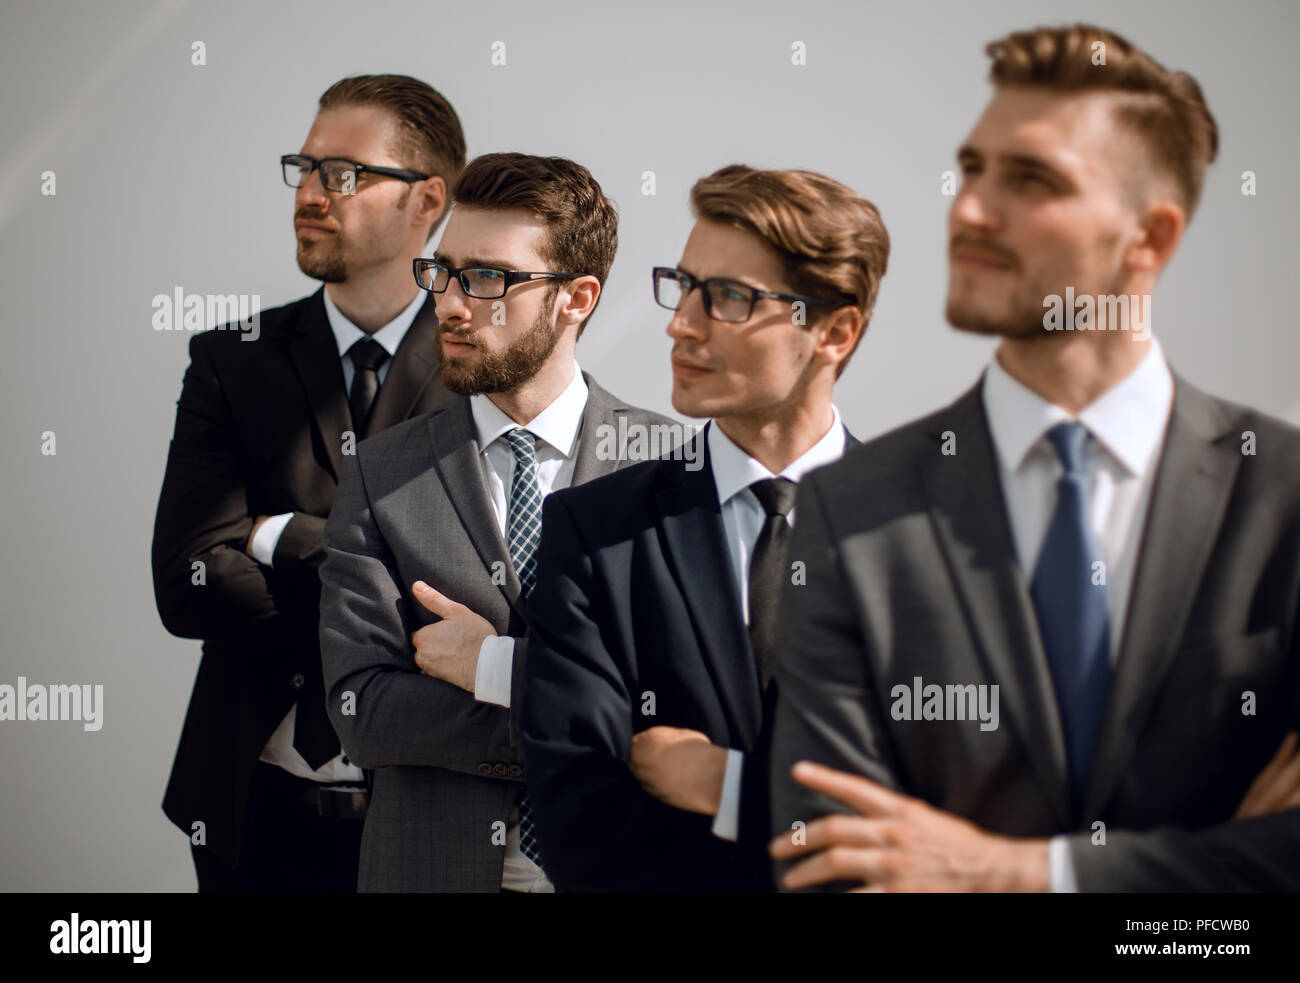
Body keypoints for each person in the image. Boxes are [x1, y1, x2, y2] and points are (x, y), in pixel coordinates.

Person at [768, 24, 1300, 892]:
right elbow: (831, 865)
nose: (968, 207)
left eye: (1032, 179)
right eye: (973, 167)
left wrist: (1019, 873)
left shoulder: (1283, 494)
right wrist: (1212, 882)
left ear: (1150, 239)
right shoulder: (852, 509)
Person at [522, 165, 888, 890]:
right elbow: (580, 832)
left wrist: (726, 786)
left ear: (834, 331)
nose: (679, 322)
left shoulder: (933, 538)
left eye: (727, 297)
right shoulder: (595, 533)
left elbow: (958, 824)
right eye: (683, 284)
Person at [318, 152, 678, 892]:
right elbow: (364, 711)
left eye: (487, 278)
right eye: (442, 271)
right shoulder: (381, 472)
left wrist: (495, 669)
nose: (449, 303)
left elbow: (686, 708)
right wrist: (585, 724)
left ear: (576, 297)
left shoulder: (672, 469)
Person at [153, 74, 464, 891]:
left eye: (344, 173)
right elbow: (188, 584)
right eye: (306, 167)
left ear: (426, 201)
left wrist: (280, 537)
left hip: (433, 811)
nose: (312, 194)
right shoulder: (230, 359)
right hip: (255, 808)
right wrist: (378, 579)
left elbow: (486, 603)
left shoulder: (485, 372)